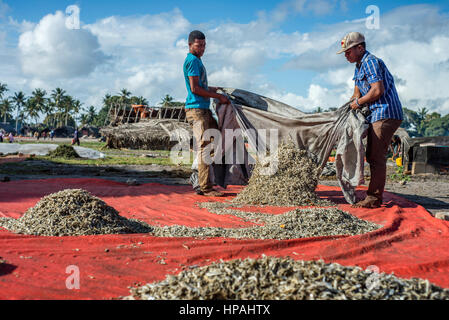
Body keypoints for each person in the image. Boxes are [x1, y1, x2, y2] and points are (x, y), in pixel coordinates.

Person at [337, 32, 403, 208]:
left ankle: (374, 198)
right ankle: (373, 195)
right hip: (374, 113)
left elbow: (377, 91)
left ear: (360, 48)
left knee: (375, 156)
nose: (346, 55)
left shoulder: (371, 62)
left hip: (385, 112)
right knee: (372, 154)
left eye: (348, 51)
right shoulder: (358, 66)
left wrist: (358, 102)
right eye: (344, 52)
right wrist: (349, 104)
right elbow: (356, 93)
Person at [183, 30, 230, 197]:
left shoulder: (197, 61)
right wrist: (217, 96)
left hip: (203, 109)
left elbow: (200, 87)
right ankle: (205, 187)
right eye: (198, 45)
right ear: (190, 45)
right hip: (196, 110)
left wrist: (214, 89)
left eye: (204, 45)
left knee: (217, 141)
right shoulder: (192, 61)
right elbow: (195, 89)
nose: (202, 48)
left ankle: (199, 176)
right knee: (205, 146)